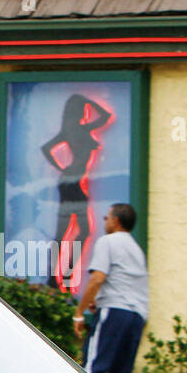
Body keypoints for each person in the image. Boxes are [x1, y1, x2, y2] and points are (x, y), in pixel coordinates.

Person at [42, 94, 113, 291]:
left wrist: (61, 167)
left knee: (70, 232)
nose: (86, 111)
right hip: (71, 182)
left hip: (72, 182)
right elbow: (105, 116)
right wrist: (87, 100)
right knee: (71, 232)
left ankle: (61, 276)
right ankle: (61, 276)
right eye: (83, 108)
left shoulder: (71, 130)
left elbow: (46, 148)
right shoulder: (80, 129)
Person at [75, 203, 147, 373]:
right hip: (136, 316)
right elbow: (125, 283)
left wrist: (79, 312)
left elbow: (97, 278)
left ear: (115, 221)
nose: (104, 221)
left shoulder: (107, 241)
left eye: (106, 217)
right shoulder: (136, 249)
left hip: (113, 311)